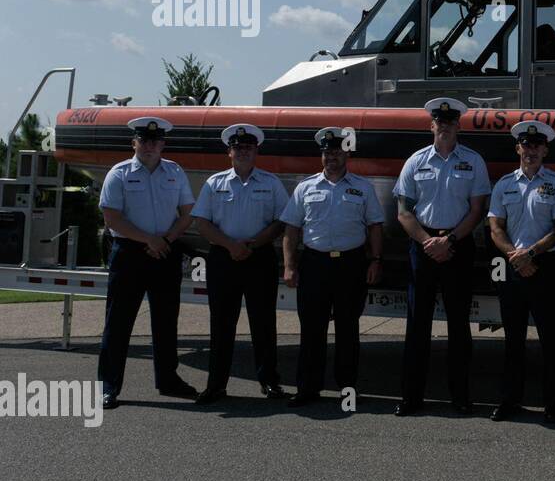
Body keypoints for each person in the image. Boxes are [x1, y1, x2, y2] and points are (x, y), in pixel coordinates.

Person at [393, 98, 491, 417]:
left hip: (458, 247)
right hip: (422, 247)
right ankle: (411, 397)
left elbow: (477, 210)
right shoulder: (415, 161)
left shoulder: (474, 162)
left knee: (459, 327)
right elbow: (404, 212)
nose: (445, 126)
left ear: (458, 126)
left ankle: (460, 396)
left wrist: (447, 240)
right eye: (440, 121)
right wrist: (427, 241)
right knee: (417, 325)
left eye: (451, 121)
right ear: (431, 125)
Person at [279, 127, 385, 408]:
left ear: (346, 154)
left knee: (348, 330)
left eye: (337, 152)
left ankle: (347, 389)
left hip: (351, 264)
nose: (331, 157)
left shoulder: (362, 188)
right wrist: (289, 266)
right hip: (314, 264)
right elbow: (291, 229)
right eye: (327, 152)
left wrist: (375, 260)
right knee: (312, 330)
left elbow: (375, 226)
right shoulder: (305, 187)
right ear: (322, 155)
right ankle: (307, 389)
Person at [96, 117, 197, 409]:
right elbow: (112, 218)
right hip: (129, 253)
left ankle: (168, 380)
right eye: (145, 140)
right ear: (134, 143)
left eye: (155, 141)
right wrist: (148, 240)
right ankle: (109, 386)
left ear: (162, 144)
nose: (150, 145)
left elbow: (188, 212)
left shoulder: (174, 172)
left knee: (166, 322)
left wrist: (165, 240)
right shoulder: (119, 173)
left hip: (165, 252)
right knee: (118, 323)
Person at [191, 123, 289, 404]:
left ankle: (270, 382)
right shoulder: (214, 183)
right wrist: (230, 245)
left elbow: (281, 221)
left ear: (256, 150)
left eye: (248, 147)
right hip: (224, 258)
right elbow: (202, 222)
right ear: (229, 152)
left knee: (263, 323)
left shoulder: (270, 183)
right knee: (221, 324)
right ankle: (216, 385)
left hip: (259, 257)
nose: (243, 151)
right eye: (238, 147)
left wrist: (252, 244)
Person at [487, 121, 555, 424]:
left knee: (551, 338)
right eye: (526, 144)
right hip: (512, 266)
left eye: (537, 145)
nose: (531, 150)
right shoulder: (504, 184)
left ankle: (553, 404)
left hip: (544, 265)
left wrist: (531, 254)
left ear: (545, 149)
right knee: (513, 338)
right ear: (518, 148)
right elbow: (495, 227)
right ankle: (510, 401)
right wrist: (515, 256)